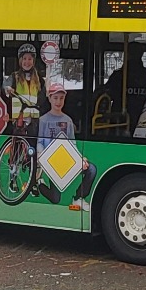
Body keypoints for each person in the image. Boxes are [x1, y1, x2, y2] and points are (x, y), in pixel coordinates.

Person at [34, 82, 95, 211]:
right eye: (55, 98)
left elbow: (72, 143)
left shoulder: (67, 120)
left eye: (61, 98)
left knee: (91, 169)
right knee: (55, 199)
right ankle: (39, 183)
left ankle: (78, 198)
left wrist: (80, 158)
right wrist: (40, 154)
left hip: (66, 160)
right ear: (50, 99)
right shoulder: (43, 120)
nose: (58, 101)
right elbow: (40, 142)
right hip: (51, 163)